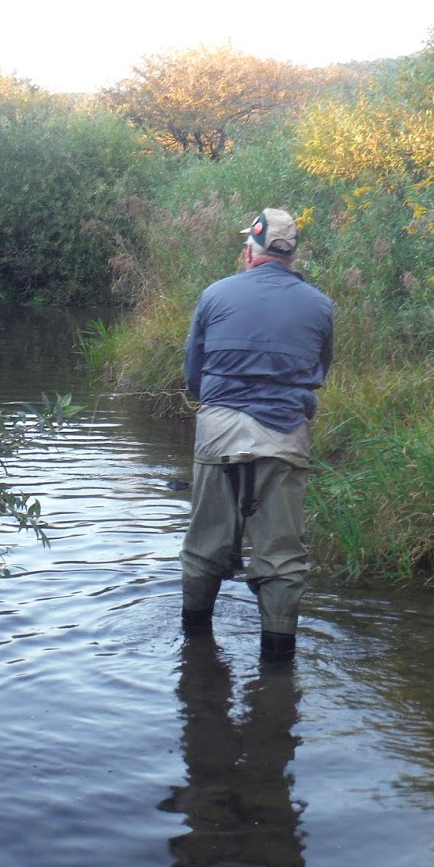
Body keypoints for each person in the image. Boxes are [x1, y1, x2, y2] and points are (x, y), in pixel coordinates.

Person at [179, 208, 334, 658]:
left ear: (252, 249)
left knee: (203, 545)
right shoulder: (320, 305)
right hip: (284, 435)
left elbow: (194, 374)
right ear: (292, 254)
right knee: (282, 557)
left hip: (219, 431)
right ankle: (279, 665)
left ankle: (193, 646)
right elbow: (318, 372)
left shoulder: (214, 294)